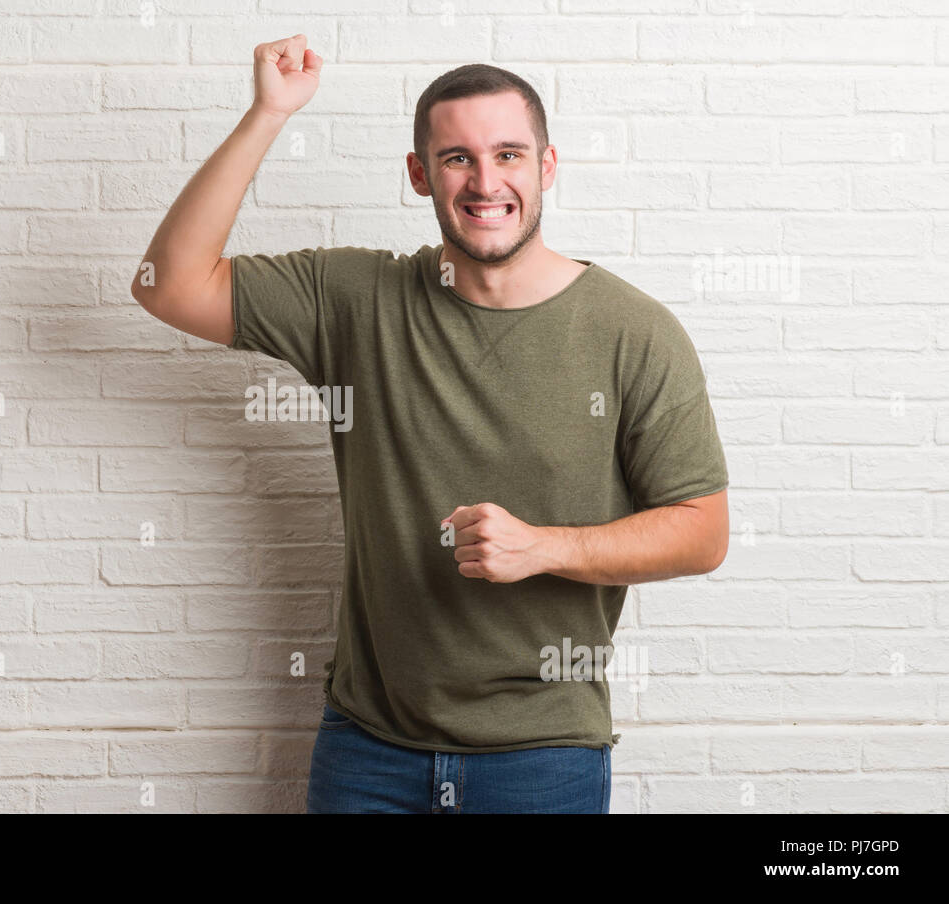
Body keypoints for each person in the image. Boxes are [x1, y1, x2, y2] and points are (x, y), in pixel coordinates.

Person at [131, 34, 729, 814]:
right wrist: (267, 115)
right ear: (420, 174)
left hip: (543, 756)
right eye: (458, 159)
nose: (487, 182)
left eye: (510, 154)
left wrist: (545, 547)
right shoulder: (357, 300)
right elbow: (166, 285)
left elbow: (703, 531)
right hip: (367, 751)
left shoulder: (634, 332)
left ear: (546, 168)